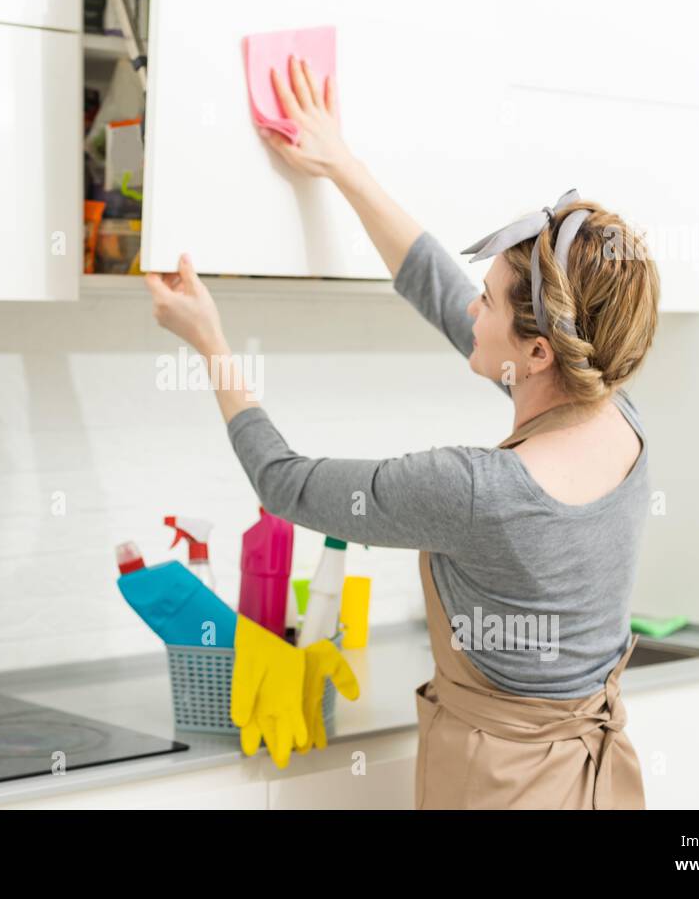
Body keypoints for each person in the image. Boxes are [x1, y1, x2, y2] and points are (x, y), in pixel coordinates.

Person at [145, 56, 660, 809]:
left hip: (500, 788)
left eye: (488, 300)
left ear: (537, 353)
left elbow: (282, 482)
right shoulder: (619, 418)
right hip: (592, 782)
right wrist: (343, 166)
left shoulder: (472, 490)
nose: (470, 312)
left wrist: (211, 344)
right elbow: (443, 292)